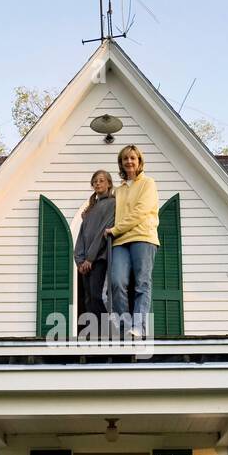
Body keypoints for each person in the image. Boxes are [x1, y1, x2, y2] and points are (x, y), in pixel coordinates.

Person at [107, 144, 159, 338]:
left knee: (142, 283)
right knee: (116, 282)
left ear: (139, 162)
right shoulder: (118, 191)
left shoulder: (148, 184)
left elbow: (140, 212)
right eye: (125, 159)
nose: (129, 161)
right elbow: (108, 212)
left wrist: (115, 230)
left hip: (143, 237)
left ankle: (139, 326)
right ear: (121, 163)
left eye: (133, 158)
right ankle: (125, 326)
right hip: (120, 241)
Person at [74, 169, 114, 332]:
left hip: (99, 259)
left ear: (109, 184)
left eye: (101, 180)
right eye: (95, 181)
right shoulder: (90, 209)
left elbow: (101, 233)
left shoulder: (113, 203)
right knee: (88, 298)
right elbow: (82, 236)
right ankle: (95, 332)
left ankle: (108, 332)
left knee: (97, 296)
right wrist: (80, 260)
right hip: (85, 262)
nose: (98, 183)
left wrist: (90, 258)